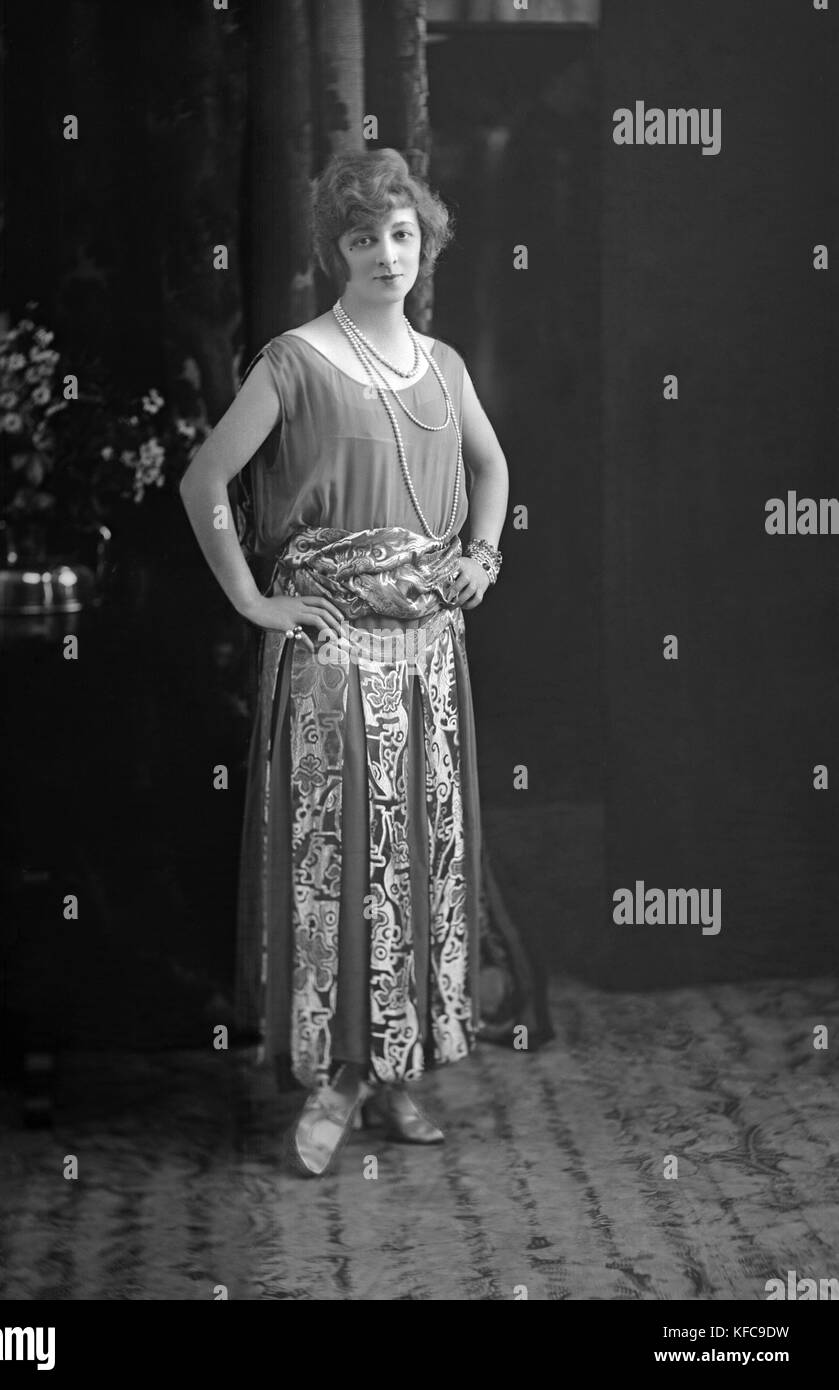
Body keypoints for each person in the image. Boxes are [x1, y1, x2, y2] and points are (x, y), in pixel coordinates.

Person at [179, 147, 508, 1177]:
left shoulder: (443, 366)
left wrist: (481, 558)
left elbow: (490, 468)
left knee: (416, 862)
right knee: (340, 870)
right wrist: (253, 599)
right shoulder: (293, 359)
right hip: (330, 654)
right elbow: (204, 481)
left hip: (427, 655)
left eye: (400, 232)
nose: (384, 252)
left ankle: (395, 1067)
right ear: (334, 251)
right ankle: (336, 1075)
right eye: (362, 236)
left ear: (425, 242)